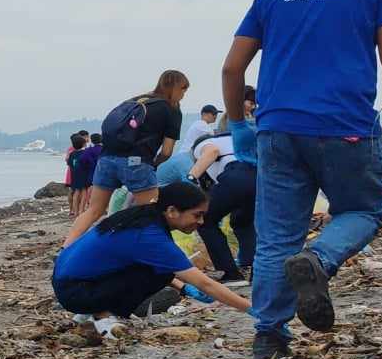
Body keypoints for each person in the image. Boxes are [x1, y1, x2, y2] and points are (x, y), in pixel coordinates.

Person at [221, 0, 382, 359]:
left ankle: (269, 336)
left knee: (276, 235)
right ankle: (321, 258)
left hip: (276, 128)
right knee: (365, 208)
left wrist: (239, 124)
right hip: (345, 124)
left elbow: (233, 68)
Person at [53, 181, 251, 338]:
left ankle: (88, 312)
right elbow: (205, 283)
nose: (200, 222)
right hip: (75, 291)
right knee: (161, 272)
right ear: (172, 211)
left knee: (161, 271)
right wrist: (254, 310)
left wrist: (183, 289)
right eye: (197, 215)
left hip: (68, 282)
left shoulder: (141, 218)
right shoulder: (150, 235)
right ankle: (102, 316)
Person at [62, 70, 189, 247]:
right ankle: (160, 254)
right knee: (155, 212)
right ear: (175, 88)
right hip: (137, 162)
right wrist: (153, 164)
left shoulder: (135, 100)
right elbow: (167, 151)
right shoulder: (172, 109)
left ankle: (66, 247)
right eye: (183, 89)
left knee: (94, 210)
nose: (184, 95)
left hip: (106, 159)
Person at [188, 90, 258, 283]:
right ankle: (257, 271)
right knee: (243, 222)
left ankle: (230, 273)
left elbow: (212, 153)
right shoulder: (243, 139)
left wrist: (191, 177)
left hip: (236, 175)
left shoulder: (206, 142)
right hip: (260, 179)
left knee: (206, 221)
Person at [65, 131, 93, 216]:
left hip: (74, 175)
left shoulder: (72, 153)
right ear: (83, 144)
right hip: (83, 175)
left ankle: (75, 211)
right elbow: (89, 163)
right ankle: (81, 210)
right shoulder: (85, 153)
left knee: (76, 192)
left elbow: (69, 163)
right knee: (84, 192)